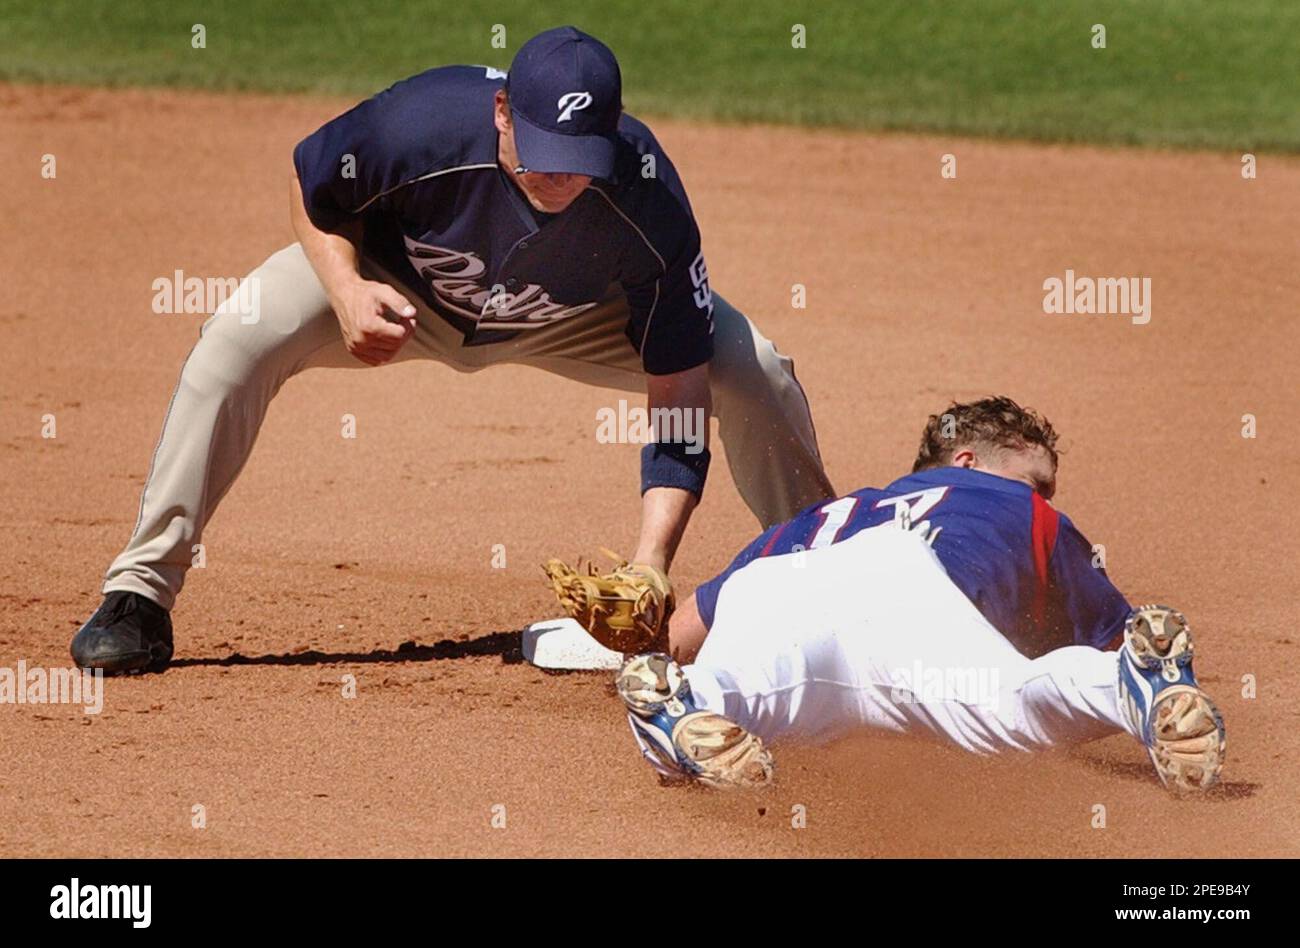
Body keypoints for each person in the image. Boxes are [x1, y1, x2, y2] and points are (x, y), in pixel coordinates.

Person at [70, 26, 834, 674]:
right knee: (237, 334)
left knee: (751, 369)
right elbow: (314, 190)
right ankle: (139, 595)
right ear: (501, 112)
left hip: (568, 317)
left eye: (580, 157)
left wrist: (651, 562)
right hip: (397, 291)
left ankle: (832, 586)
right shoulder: (419, 125)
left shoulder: (648, 198)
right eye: (539, 152)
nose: (560, 177)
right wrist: (343, 290)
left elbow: (677, 389)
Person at [614, 396, 1226, 794]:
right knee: (1019, 702)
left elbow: (682, 632)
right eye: (1038, 482)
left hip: (776, 586)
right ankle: (1129, 689)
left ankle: (679, 711)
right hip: (912, 594)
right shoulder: (1018, 508)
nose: (1045, 498)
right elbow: (1112, 630)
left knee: (735, 691)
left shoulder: (830, 514)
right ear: (967, 461)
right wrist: (1122, 663)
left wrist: (632, 633)